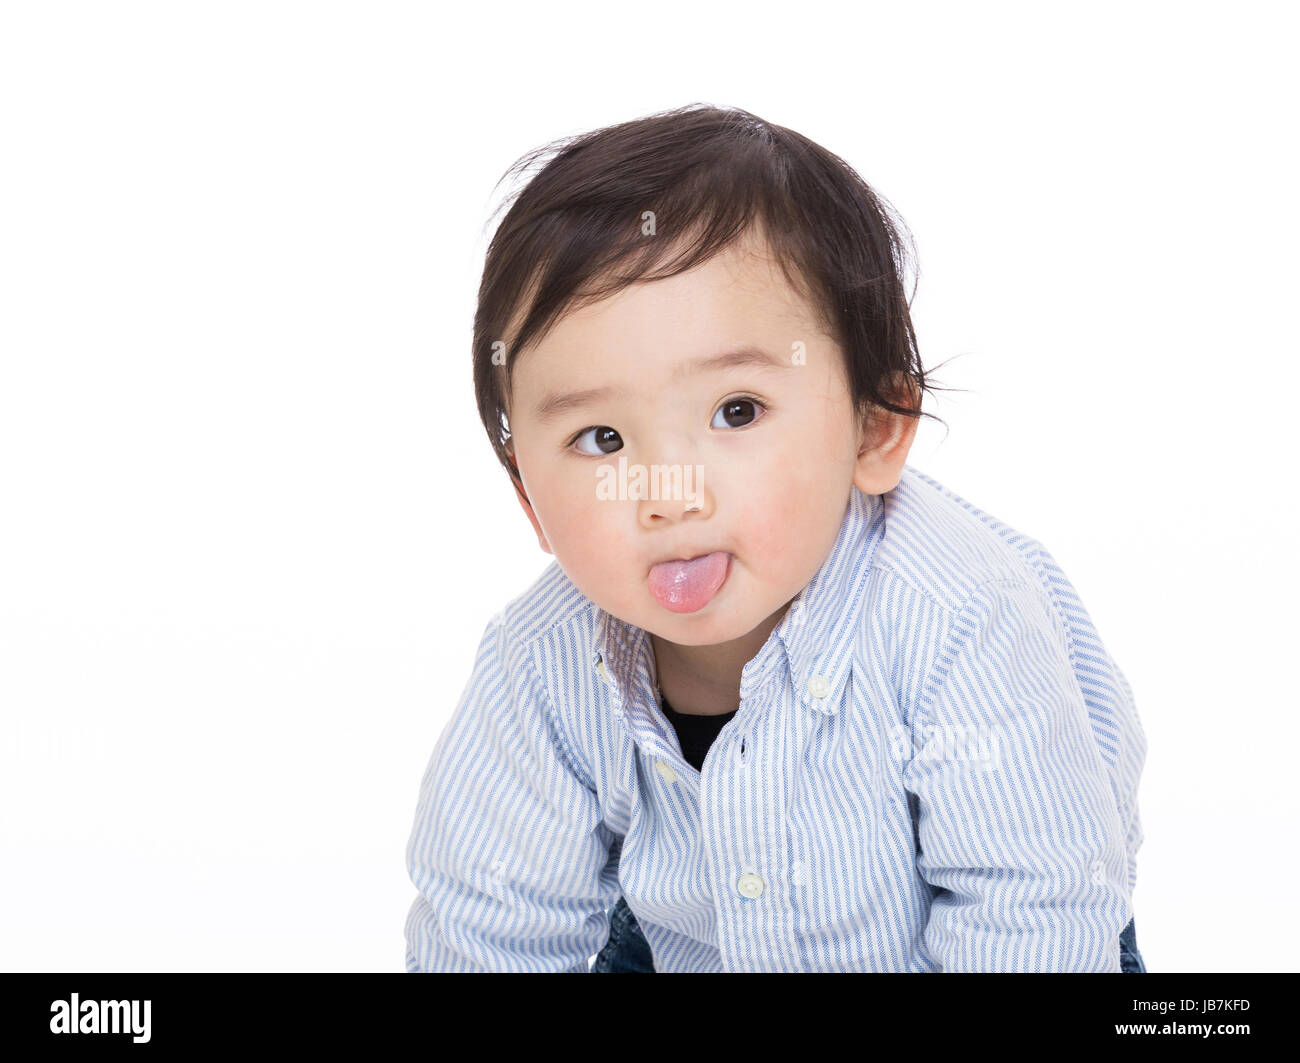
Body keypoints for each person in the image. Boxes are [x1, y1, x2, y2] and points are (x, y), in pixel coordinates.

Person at [404, 104, 1147, 972]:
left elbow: (1035, 903)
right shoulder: (538, 664)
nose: (668, 493)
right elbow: (489, 923)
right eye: (601, 440)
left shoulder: (959, 616)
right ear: (529, 499)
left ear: (875, 429)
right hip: (694, 943)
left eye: (737, 411)